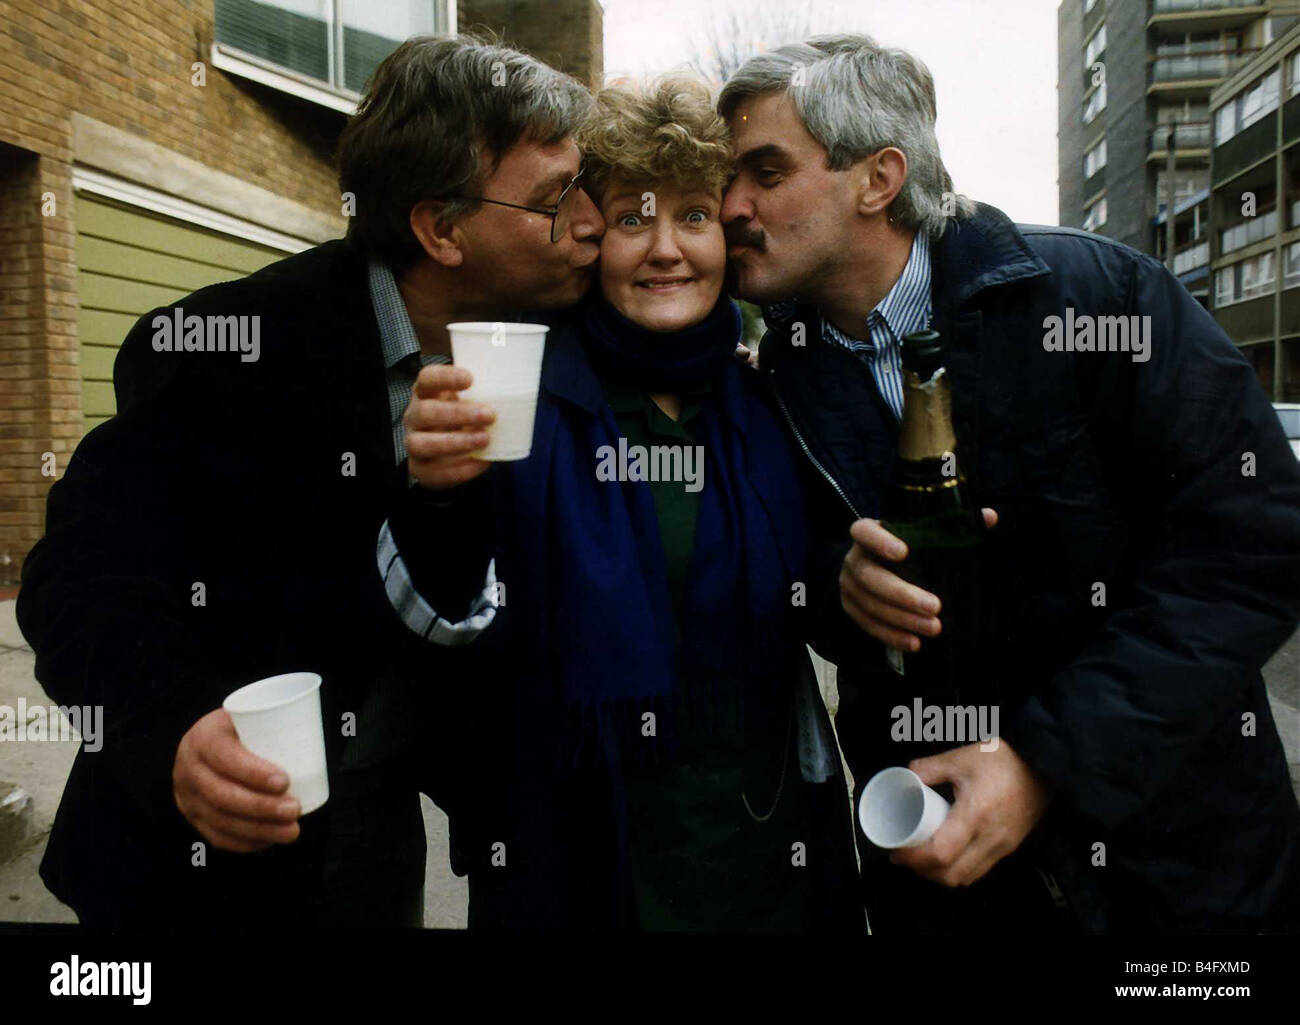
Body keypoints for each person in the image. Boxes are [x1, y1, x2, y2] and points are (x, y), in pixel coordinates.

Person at [717, 33, 1300, 933]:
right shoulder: (773, 377)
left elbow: (1256, 541)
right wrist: (837, 584)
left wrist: (1043, 758)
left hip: (1178, 871)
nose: (730, 206)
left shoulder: (1097, 298)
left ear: (878, 179)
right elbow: (784, 585)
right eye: (727, 178)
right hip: (944, 873)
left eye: (764, 171)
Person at [16, 34, 600, 929]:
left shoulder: (545, 340)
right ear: (442, 228)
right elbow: (79, 572)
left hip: (375, 837)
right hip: (192, 866)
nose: (591, 219)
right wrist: (169, 727)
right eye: (557, 198)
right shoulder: (231, 348)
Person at [383, 76, 863, 932]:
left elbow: (821, 594)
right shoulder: (521, 394)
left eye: (693, 215)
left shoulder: (776, 404)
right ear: (594, 236)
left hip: (760, 844)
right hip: (575, 851)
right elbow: (445, 618)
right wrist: (439, 496)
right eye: (634, 219)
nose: (665, 249)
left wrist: (855, 582)